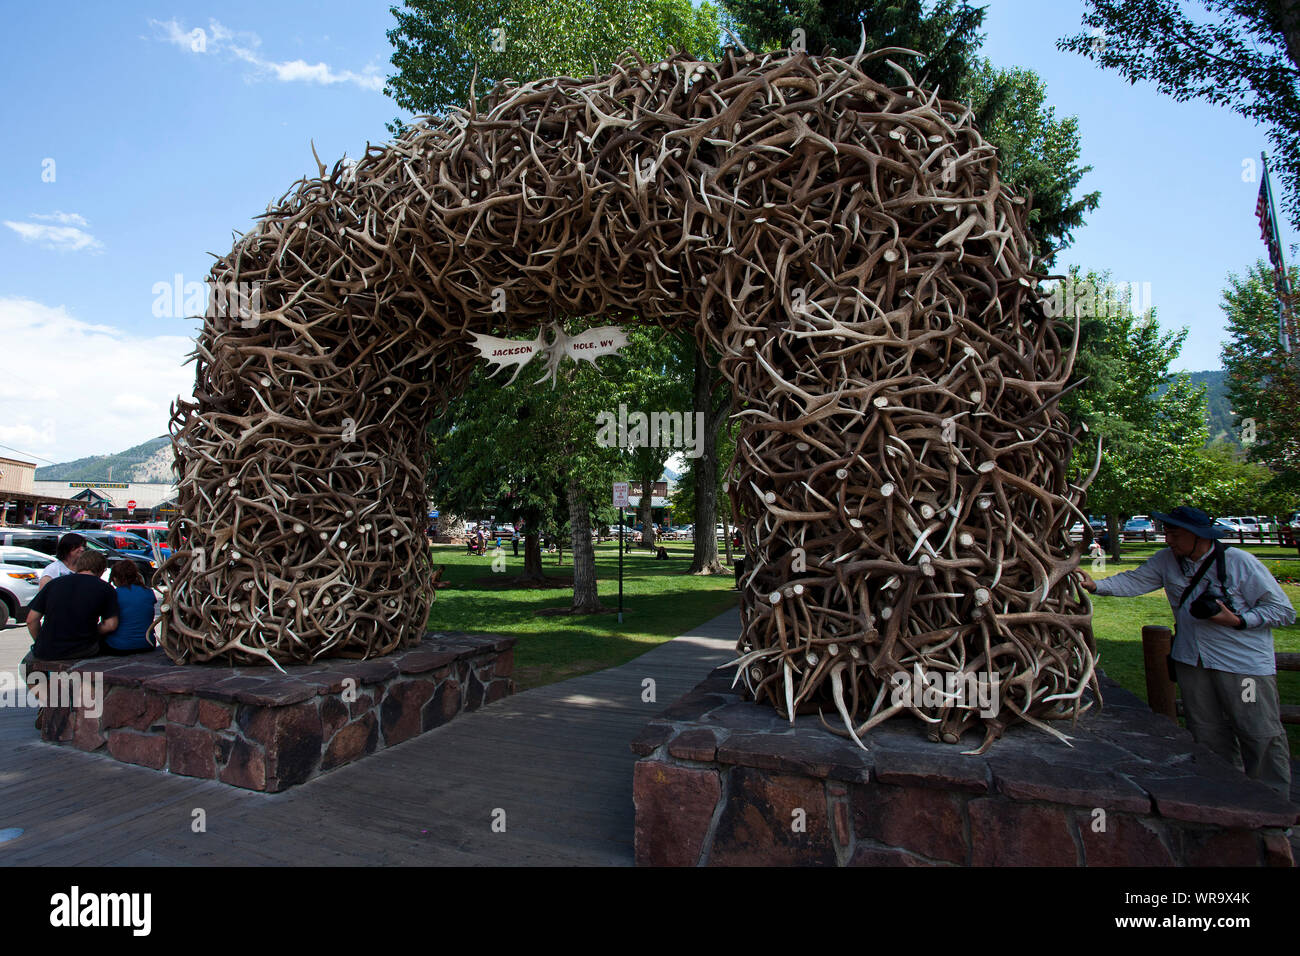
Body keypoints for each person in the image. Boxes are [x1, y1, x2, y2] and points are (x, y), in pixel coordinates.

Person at [1079, 506, 1295, 797]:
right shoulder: (1167, 561)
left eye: (1174, 534)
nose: (1168, 539)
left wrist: (1239, 620)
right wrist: (1096, 585)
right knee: (1207, 732)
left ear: (1198, 535)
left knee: (1258, 731)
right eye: (1167, 532)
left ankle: (1272, 804)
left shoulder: (1239, 563)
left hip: (1242, 666)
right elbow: (1134, 581)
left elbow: (1282, 610)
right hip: (1192, 661)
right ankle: (1224, 795)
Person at [25, 550, 119, 660]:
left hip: (47, 650)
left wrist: (41, 642)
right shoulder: (105, 588)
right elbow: (111, 625)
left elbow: (31, 620)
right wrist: (90, 631)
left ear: (78, 566)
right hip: (83, 650)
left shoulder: (53, 584)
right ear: (102, 570)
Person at [100, 559, 157, 655]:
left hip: (119, 646)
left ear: (115, 578)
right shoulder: (149, 593)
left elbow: (107, 624)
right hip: (147, 644)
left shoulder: (115, 594)